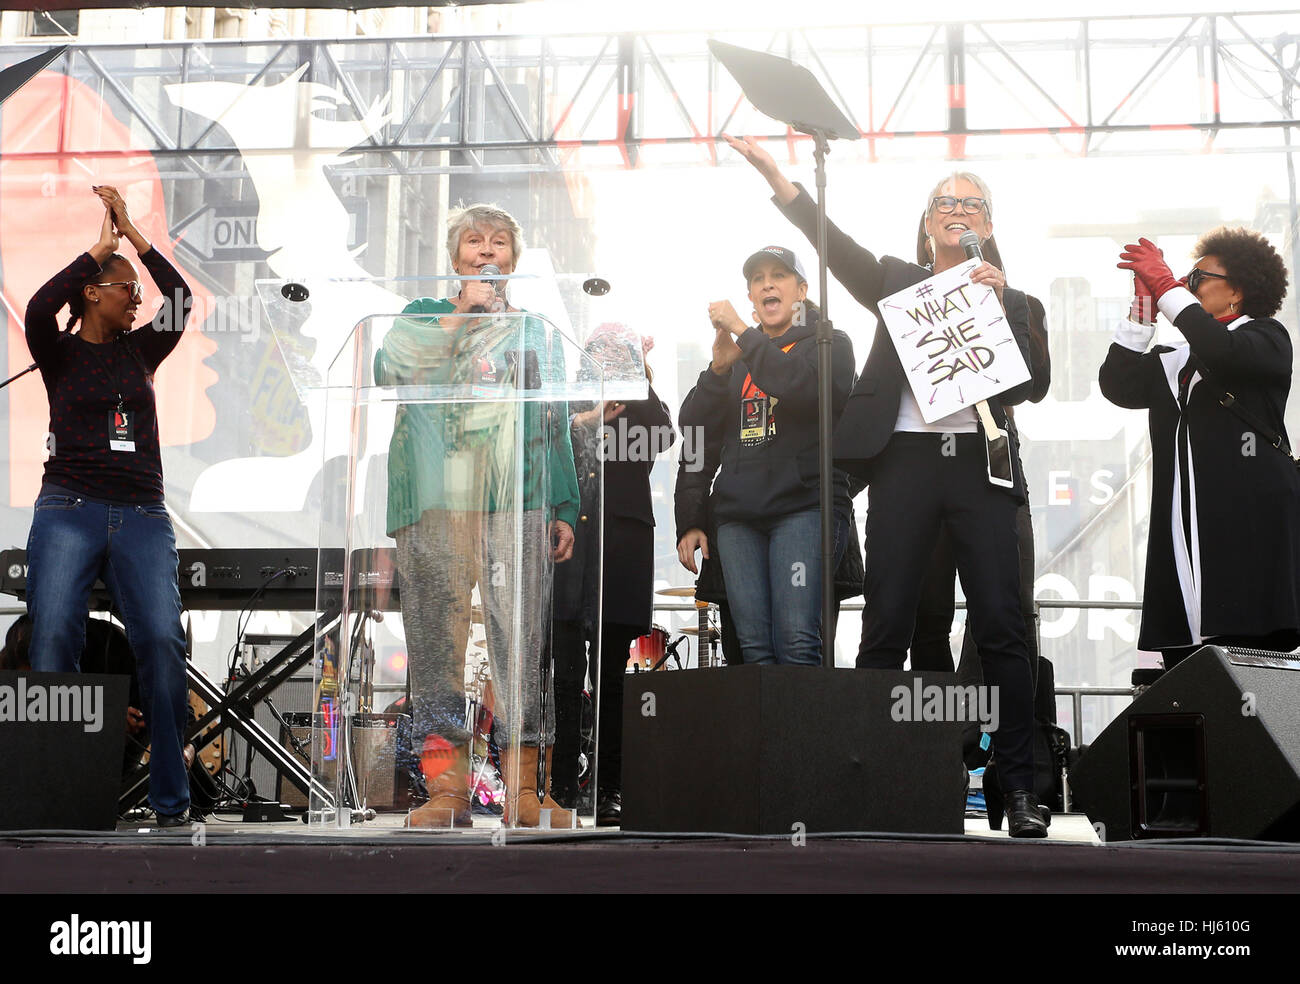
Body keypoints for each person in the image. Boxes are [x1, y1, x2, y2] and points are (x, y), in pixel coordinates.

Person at [725, 135, 1047, 837]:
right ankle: (864, 774)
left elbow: (1033, 384)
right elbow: (836, 247)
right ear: (928, 220)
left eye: (971, 204)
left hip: (980, 464)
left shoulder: (1013, 296)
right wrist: (783, 182)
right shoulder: (900, 281)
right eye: (945, 202)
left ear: (988, 225)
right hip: (904, 461)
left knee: (1003, 625)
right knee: (887, 621)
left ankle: (1019, 787)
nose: (956, 211)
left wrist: (1002, 301)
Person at [375, 203, 581, 828]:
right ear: (454, 257)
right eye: (474, 241)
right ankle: (446, 792)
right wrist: (463, 311)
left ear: (514, 260)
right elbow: (390, 371)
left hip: (515, 496)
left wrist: (564, 502)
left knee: (521, 640)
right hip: (435, 497)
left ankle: (524, 790)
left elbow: (554, 418)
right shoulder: (421, 315)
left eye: (498, 242)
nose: (486, 250)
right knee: (436, 645)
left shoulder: (536, 330)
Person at [23, 185, 193, 827]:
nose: (138, 300)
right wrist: (101, 248)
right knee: (54, 631)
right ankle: (57, 795)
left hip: (142, 513)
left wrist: (137, 238)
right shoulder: (58, 350)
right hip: (69, 505)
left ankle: (171, 802)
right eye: (127, 289)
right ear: (93, 292)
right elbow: (40, 306)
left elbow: (180, 300)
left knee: (158, 637)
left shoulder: (140, 349)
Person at [1101, 228, 1300, 667]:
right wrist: (1143, 310)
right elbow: (1117, 383)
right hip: (1182, 522)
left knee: (1249, 662)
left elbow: (1221, 350)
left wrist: (1168, 287)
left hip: (1248, 519)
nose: (1186, 285)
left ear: (1236, 292)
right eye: (1185, 279)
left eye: (1198, 277)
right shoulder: (1176, 357)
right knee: (1187, 665)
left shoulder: (1267, 338)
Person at [678, 246, 855, 665]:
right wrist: (691, 519)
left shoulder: (828, 342)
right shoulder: (739, 359)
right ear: (752, 296)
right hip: (738, 517)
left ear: (802, 291)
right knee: (753, 651)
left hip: (804, 508)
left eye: (779, 275)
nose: (768, 284)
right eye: (758, 279)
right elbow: (696, 433)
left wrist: (744, 331)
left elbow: (802, 387)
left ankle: (803, 734)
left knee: (796, 642)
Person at [552, 326, 675, 825]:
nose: (605, 359)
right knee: (563, 674)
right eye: (597, 351)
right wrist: (586, 417)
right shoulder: (567, 404)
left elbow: (664, 433)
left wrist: (635, 375)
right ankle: (559, 788)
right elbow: (542, 439)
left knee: (611, 680)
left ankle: (610, 791)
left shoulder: (639, 404)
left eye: (615, 353)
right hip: (569, 551)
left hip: (620, 553)